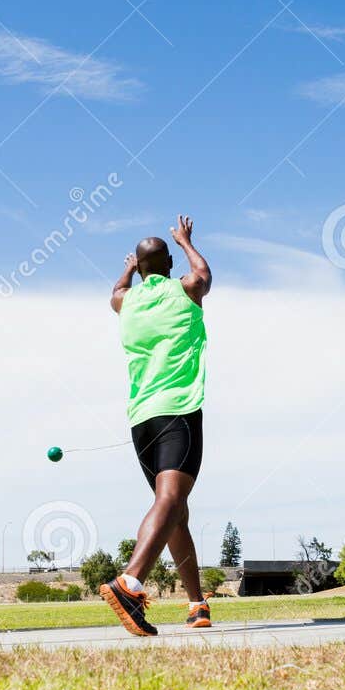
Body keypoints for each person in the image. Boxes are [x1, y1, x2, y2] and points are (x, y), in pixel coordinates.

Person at [101, 214, 211, 637]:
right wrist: (184, 241)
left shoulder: (125, 303)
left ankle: (197, 604)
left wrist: (130, 266)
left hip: (141, 421)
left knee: (175, 512)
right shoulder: (185, 290)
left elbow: (115, 289)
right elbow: (203, 273)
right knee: (170, 500)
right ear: (168, 264)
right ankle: (129, 582)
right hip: (179, 409)